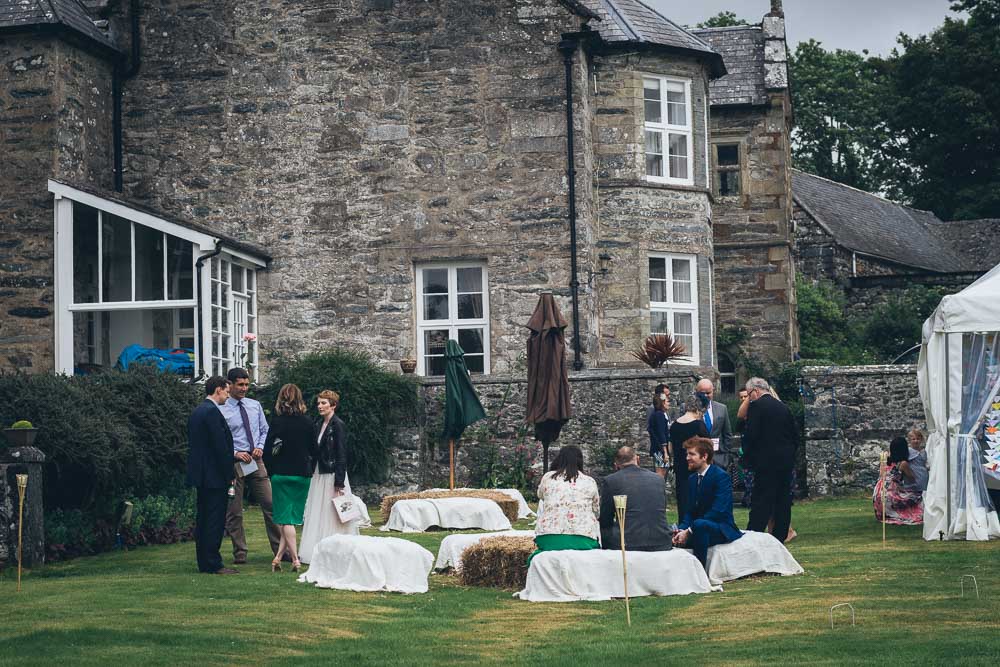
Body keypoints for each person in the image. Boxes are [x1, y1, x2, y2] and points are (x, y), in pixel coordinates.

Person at [219, 367, 281, 564]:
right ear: (229, 385)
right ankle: (240, 552)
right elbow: (219, 439)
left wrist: (260, 447)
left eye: (247, 384)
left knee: (271, 504)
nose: (245, 388)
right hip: (234, 464)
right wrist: (236, 453)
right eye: (240, 385)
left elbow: (265, 430)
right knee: (234, 510)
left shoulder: (254, 405)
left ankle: (281, 550)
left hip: (256, 461)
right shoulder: (221, 408)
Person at [299, 390, 359, 564]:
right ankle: (317, 549)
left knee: (333, 513)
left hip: (332, 474)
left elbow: (341, 454)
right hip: (319, 472)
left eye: (324, 403)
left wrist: (339, 481)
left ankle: (339, 551)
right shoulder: (319, 424)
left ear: (333, 405)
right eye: (318, 403)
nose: (320, 406)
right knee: (318, 510)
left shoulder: (338, 424)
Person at [186, 376, 238, 574]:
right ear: (218, 390)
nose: (227, 395)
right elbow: (220, 447)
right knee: (214, 520)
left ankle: (204, 561)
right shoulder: (212, 413)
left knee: (204, 518)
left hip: (202, 474)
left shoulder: (198, 411)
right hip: (214, 476)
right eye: (226, 390)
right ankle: (213, 563)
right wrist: (229, 473)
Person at [263, 383, 317, 572]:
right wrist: (311, 468)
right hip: (302, 474)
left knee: (286, 520)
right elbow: (314, 450)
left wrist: (271, 471)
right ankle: (277, 558)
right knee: (291, 519)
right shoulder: (308, 422)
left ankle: (294, 559)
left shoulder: (277, 422)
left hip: (281, 474)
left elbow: (267, 451)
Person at [672, 437, 743, 568]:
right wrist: (682, 529)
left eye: (691, 454)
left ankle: (700, 572)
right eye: (687, 454)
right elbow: (690, 511)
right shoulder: (692, 479)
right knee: (673, 530)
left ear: (704, 456)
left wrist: (689, 530)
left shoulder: (721, 477)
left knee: (699, 525)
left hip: (721, 528)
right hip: (699, 527)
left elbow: (718, 511)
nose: (687, 457)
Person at [743, 377, 798, 543]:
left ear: (756, 391)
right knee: (783, 500)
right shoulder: (783, 407)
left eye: (749, 395)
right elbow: (795, 436)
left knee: (761, 499)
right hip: (785, 462)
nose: (748, 399)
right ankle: (780, 535)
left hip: (765, 463)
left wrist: (749, 457)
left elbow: (751, 435)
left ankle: (754, 533)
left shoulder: (757, 407)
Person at [530, 445, 601, 563]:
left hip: (548, 537)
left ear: (560, 459)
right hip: (583, 538)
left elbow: (540, 495)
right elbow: (596, 511)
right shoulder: (589, 481)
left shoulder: (548, 477)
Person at [598, 446, 673, 551]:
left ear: (616, 466)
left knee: (602, 531)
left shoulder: (611, 481)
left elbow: (605, 518)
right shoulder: (658, 479)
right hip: (661, 540)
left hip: (627, 542)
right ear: (638, 459)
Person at [669, 394, 710, 522]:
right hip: (696, 469)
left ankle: (682, 529)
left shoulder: (674, 425)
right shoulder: (698, 425)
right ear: (699, 409)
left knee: (683, 502)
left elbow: (671, 449)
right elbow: (708, 448)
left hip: (680, 468)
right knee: (697, 501)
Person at [873, 436, 928, 525]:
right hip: (890, 496)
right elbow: (912, 477)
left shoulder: (886, 460)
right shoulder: (903, 463)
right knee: (919, 496)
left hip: (879, 494)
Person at [696, 378, 733, 470]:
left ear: (713, 391)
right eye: (702, 393)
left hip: (719, 458)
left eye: (708, 393)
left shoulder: (722, 408)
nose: (705, 396)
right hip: (699, 458)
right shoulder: (690, 409)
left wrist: (725, 453)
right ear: (696, 392)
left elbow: (727, 433)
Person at [647, 389, 671, 479]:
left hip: (659, 449)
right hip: (660, 450)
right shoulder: (659, 415)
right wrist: (665, 452)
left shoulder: (657, 415)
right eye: (667, 401)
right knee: (660, 475)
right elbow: (661, 434)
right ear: (662, 403)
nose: (668, 403)